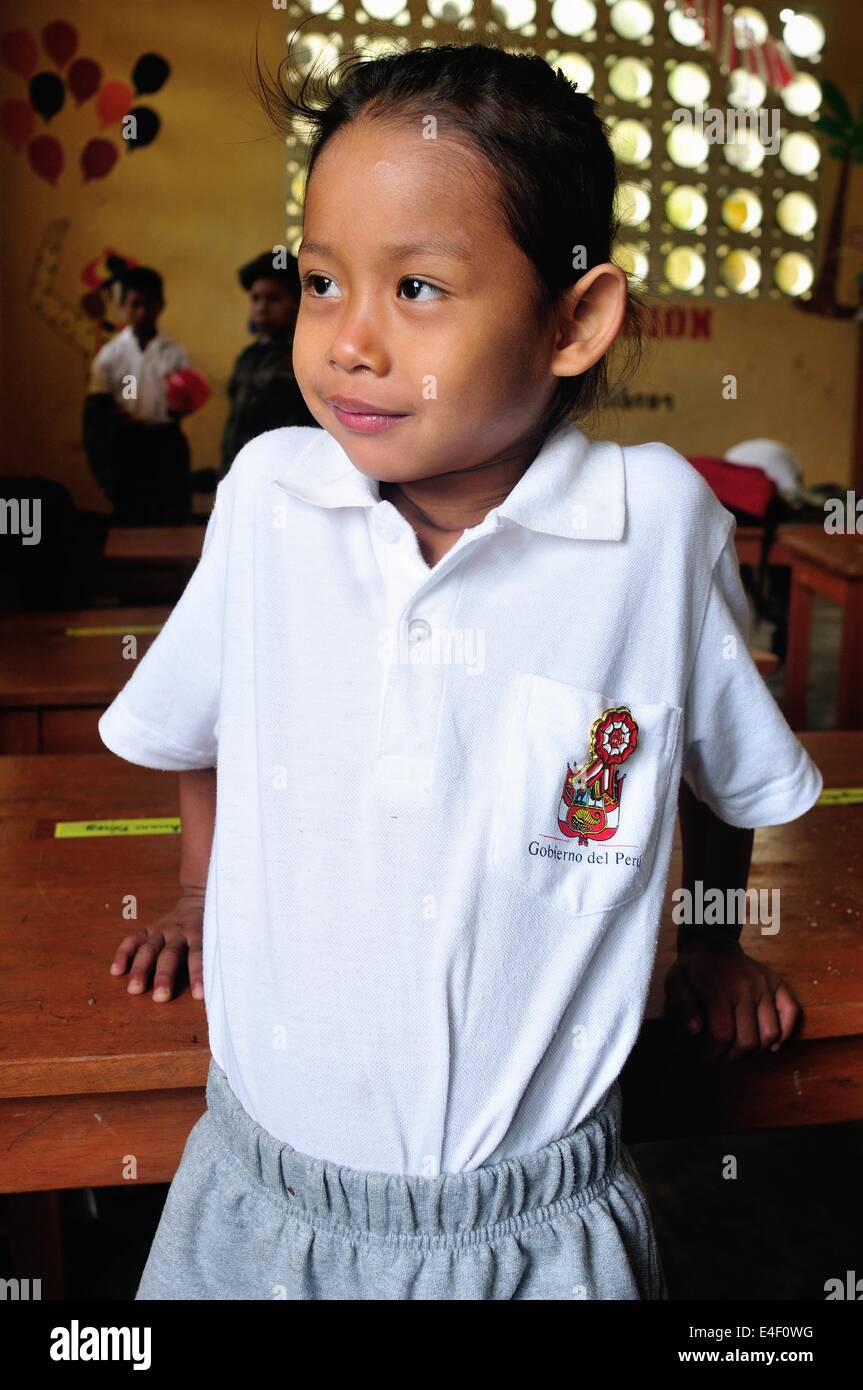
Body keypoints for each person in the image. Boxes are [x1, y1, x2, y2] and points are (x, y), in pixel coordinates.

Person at [97, 43, 823, 1301]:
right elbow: (211, 723)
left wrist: (710, 938)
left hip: (541, 1231)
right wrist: (190, 889)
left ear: (572, 320)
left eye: (418, 285)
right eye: (321, 280)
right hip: (261, 1202)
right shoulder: (270, 495)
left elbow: (709, 760)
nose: (348, 341)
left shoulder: (652, 525)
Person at [83, 266, 195, 524]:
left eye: (149, 304)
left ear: (161, 305)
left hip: (166, 445)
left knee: (172, 520)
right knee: (130, 519)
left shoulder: (175, 352)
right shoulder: (110, 355)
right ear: (122, 306)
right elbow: (97, 406)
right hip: (127, 447)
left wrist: (180, 408)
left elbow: (186, 399)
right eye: (135, 304)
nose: (143, 311)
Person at [219, 250, 318, 479]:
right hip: (241, 474)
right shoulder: (247, 358)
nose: (262, 308)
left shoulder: (307, 356)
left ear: (297, 302)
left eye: (273, 298)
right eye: (256, 298)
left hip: (287, 477)